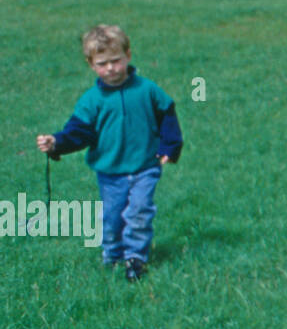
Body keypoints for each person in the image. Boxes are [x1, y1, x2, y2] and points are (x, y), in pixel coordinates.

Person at [35, 24, 183, 281]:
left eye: (116, 60)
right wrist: (56, 143)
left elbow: (167, 115)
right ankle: (113, 256)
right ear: (91, 64)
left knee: (139, 211)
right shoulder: (91, 101)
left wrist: (170, 147)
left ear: (128, 54)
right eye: (102, 63)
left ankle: (136, 259)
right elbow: (78, 132)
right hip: (110, 172)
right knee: (113, 218)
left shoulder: (147, 90)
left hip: (145, 166)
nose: (111, 68)